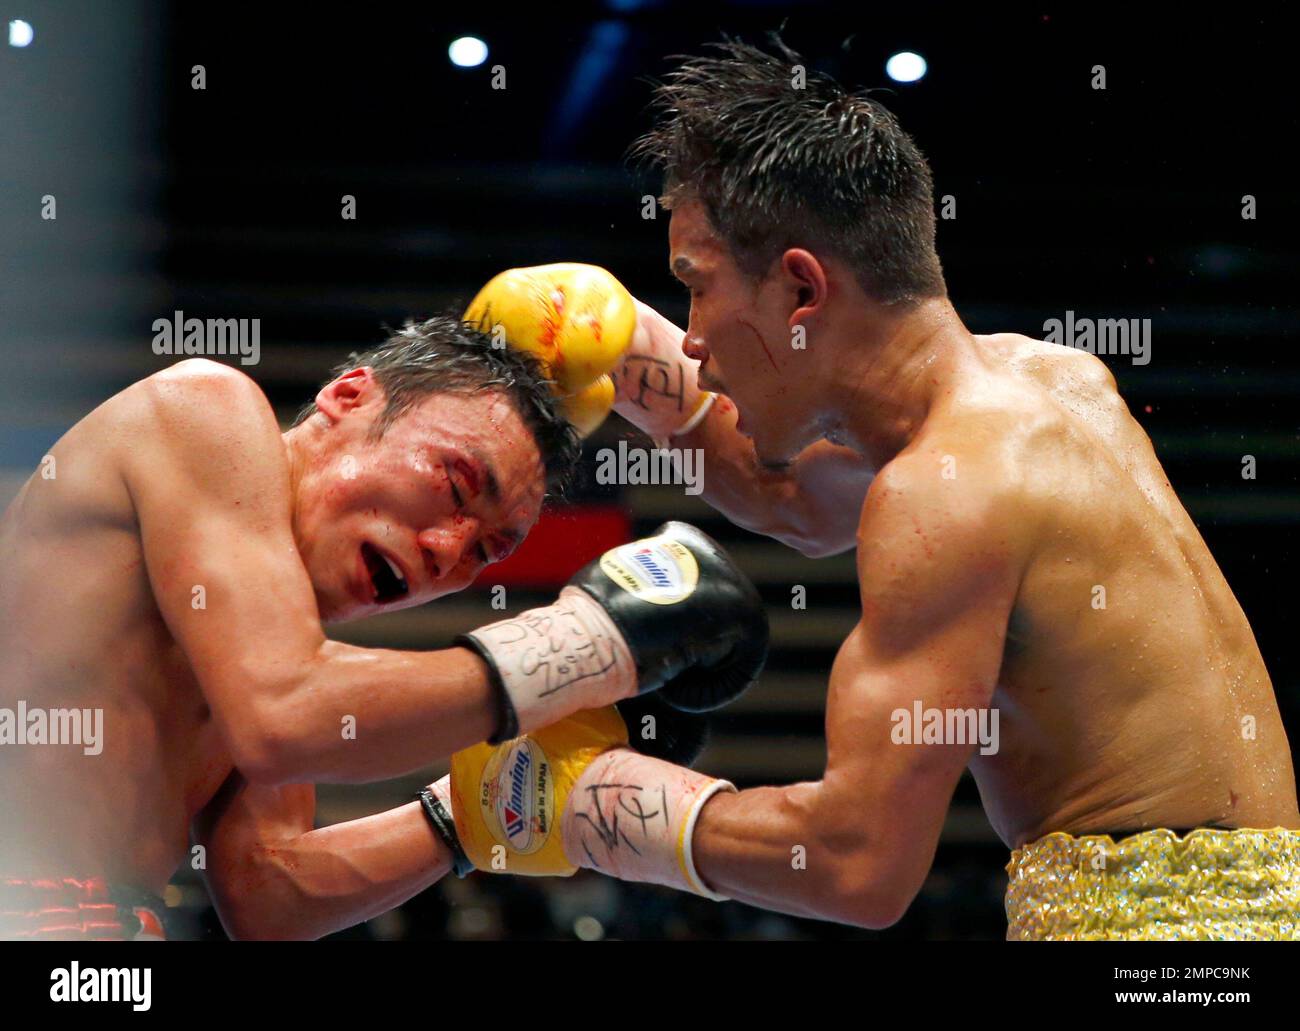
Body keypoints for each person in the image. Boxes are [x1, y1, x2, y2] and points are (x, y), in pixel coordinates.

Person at [437, 40, 1300, 940]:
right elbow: (790, 498)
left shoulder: (945, 491)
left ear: (803, 289)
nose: (689, 338)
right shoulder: (1050, 384)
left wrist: (595, 804)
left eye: (695, 288)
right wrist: (617, 345)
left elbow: (855, 863)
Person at [0, 307, 766, 940]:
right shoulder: (203, 410)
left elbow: (268, 891)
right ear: (349, 396)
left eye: (488, 550)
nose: (447, 552)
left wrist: (485, 809)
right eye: (456, 482)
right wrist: (591, 642)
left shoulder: (274, 641)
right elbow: (283, 712)